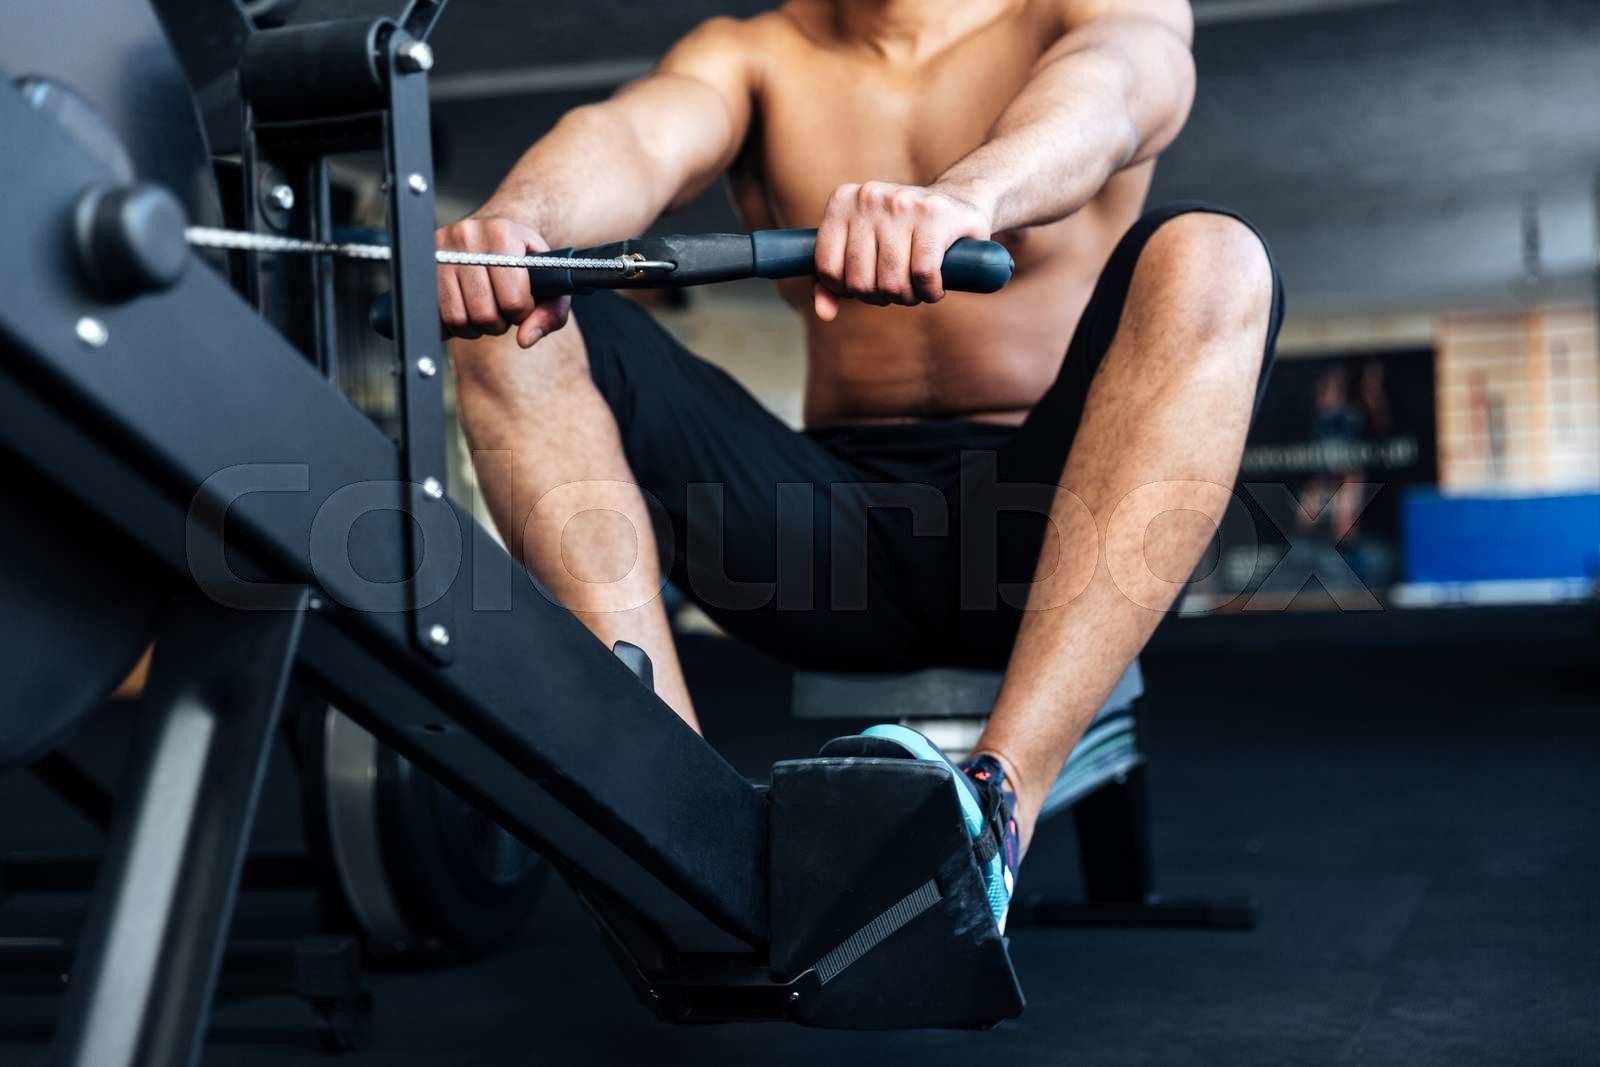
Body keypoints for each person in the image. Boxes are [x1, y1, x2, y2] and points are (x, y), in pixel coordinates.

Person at [435, 0, 1282, 932]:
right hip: (824, 548)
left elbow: (1113, 93)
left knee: (1215, 255)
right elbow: (635, 138)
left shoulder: (1088, 11)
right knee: (512, 314)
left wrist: (970, 198)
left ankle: (995, 813)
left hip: (1051, 540)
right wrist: (522, 222)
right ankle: (667, 824)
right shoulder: (755, 56)